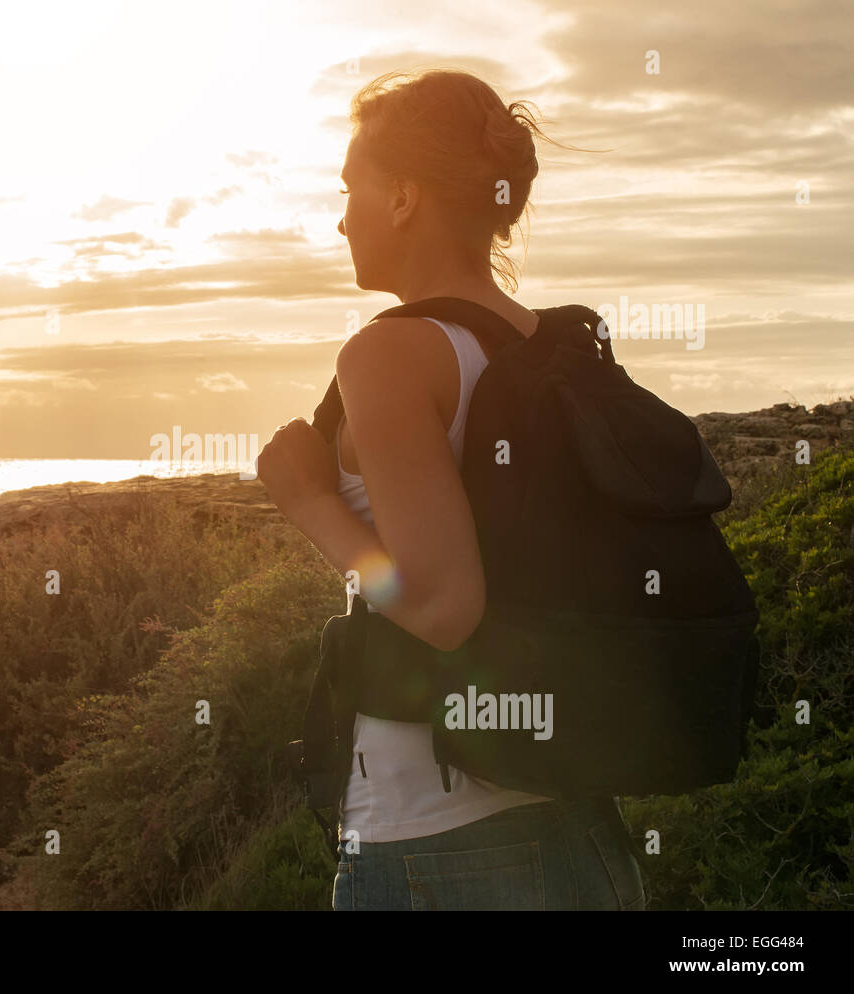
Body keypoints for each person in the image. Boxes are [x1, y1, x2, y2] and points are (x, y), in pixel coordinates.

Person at [254, 68, 646, 910]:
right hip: (582, 830)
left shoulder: (388, 354)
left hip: (441, 849)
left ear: (402, 197)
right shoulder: (548, 347)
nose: (338, 216)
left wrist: (309, 500)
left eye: (351, 189)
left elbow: (442, 606)